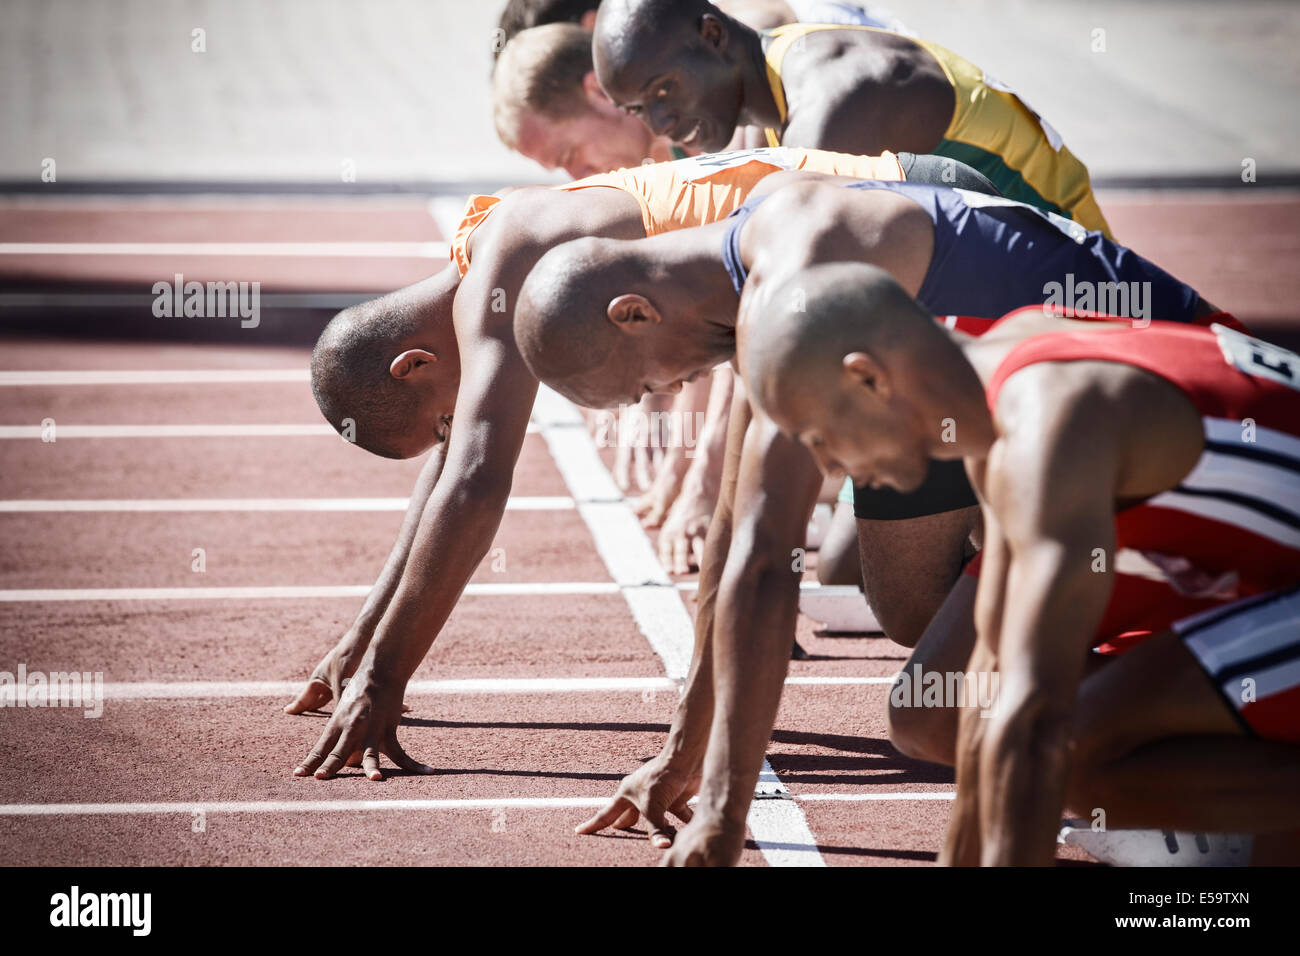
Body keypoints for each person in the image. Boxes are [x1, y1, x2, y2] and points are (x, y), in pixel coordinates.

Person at [511, 176, 1238, 861]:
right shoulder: (759, 256)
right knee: (918, 643)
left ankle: (1216, 773)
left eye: (643, 385)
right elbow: (739, 528)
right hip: (987, 403)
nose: (670, 391)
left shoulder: (795, 284)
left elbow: (765, 565)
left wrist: (724, 816)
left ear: (633, 313)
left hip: (1169, 406)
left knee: (950, 708)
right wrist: (683, 754)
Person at [284, 148, 919, 780]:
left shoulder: (504, 271)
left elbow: (474, 483)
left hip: (902, 224)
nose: (454, 431)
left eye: (442, 422)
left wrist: (384, 679)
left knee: (908, 604)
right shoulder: (488, 240)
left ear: (413, 365)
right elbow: (456, 470)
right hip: (876, 236)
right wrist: (365, 640)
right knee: (885, 586)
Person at [740, 262, 1300, 865]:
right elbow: (990, 679)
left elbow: (1036, 721)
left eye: (818, 436)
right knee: (942, 707)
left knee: (1072, 749)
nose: (828, 467)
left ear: (868, 379)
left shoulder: (1047, 423)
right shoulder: (1004, 381)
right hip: (1271, 581)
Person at [592, 0, 1112, 236]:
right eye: (637, 109)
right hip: (1009, 294)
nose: (659, 123)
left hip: (1084, 298)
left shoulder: (837, 101)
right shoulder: (771, 85)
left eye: (663, 89)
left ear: (713, 36)